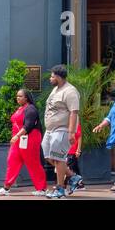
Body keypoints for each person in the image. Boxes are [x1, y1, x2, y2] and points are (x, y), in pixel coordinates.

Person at [0, 87, 46, 196]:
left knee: (33, 163)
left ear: (26, 98)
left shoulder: (30, 109)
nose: (17, 98)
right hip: (19, 140)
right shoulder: (20, 108)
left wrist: (16, 136)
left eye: (20, 96)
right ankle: (6, 188)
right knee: (12, 161)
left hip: (30, 138)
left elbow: (28, 125)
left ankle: (41, 189)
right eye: (17, 96)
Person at [41, 65, 81, 199]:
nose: (50, 78)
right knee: (48, 155)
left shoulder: (70, 91)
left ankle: (60, 189)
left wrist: (71, 132)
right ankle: (72, 176)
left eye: (52, 76)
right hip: (50, 129)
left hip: (62, 129)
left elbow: (73, 112)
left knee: (58, 158)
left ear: (58, 77)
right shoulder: (55, 89)